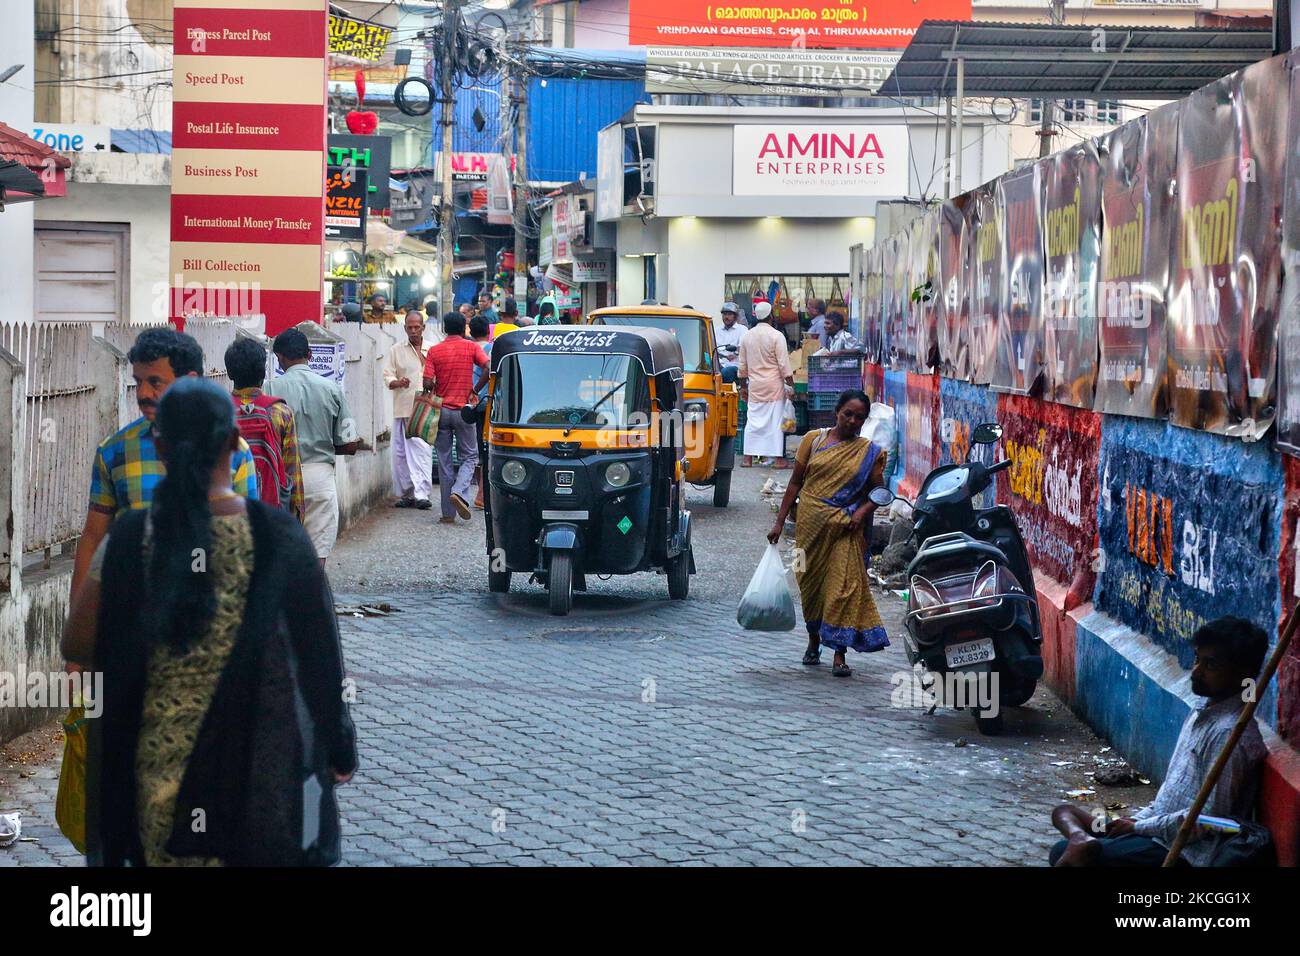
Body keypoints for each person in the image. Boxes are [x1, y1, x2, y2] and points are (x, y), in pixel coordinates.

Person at [62, 377, 357, 867]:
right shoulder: (279, 536)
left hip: (154, 795)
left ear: (159, 446)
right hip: (260, 789)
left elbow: (79, 643)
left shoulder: (131, 539)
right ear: (232, 440)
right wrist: (340, 748)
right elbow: (321, 657)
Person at [1049, 616, 1269, 867]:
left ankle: (1082, 845)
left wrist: (1140, 827)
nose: (1196, 671)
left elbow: (1210, 820)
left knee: (1065, 853)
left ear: (1243, 674)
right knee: (1065, 813)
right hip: (1152, 832)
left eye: (1211, 665)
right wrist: (1134, 823)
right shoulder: (1201, 711)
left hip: (1182, 852)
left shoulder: (1230, 734)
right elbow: (1168, 798)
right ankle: (1081, 839)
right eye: (1197, 659)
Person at [72, 328, 259, 595]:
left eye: (155, 382)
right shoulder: (115, 451)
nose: (143, 393)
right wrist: (77, 615)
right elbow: (93, 537)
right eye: (138, 381)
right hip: (133, 610)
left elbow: (248, 534)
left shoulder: (231, 451)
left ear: (190, 382)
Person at [768, 390, 889, 677]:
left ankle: (839, 654)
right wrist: (778, 522)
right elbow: (795, 484)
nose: (852, 421)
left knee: (841, 589)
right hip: (809, 528)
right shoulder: (813, 440)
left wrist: (860, 514)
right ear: (837, 411)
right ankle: (813, 642)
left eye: (859, 417)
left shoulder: (869, 452)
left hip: (845, 530)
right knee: (809, 587)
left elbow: (879, 493)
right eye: (848, 413)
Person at [267, 328, 360, 563]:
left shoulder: (270, 389)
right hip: (320, 476)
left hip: (282, 477)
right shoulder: (332, 389)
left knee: (282, 550)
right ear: (309, 354)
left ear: (279, 357)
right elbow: (350, 445)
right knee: (317, 552)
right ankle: (313, 598)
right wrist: (327, 445)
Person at [224, 337, 305, 521]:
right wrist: (295, 521)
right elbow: (292, 472)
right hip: (271, 517)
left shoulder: (216, 413)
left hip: (228, 516)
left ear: (229, 373)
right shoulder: (281, 412)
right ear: (263, 372)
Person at [422, 312, 488, 523]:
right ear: (463, 329)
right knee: (469, 456)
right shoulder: (471, 347)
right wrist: (474, 390)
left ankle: (447, 514)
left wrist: (437, 385)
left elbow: (427, 383)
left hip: (442, 412)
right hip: (464, 411)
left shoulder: (434, 350)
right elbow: (488, 366)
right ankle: (459, 491)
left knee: (444, 460)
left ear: (444, 329)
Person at [383, 311, 434, 510]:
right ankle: (407, 494)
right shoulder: (396, 350)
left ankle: (422, 494)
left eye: (416, 327)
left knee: (421, 451)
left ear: (423, 327)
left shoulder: (432, 349)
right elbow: (388, 374)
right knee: (400, 453)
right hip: (402, 406)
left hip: (424, 408)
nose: (413, 331)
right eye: (409, 327)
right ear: (405, 328)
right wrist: (397, 382)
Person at [737, 300, 794, 469]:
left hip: (755, 386)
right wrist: (791, 385)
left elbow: (742, 367)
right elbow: (784, 366)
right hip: (773, 386)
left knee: (753, 421)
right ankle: (778, 460)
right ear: (771, 316)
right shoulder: (777, 336)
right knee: (775, 423)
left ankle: (747, 459)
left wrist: (744, 387)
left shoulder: (747, 336)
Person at [468, 314, 493, 509]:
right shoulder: (494, 348)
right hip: (490, 406)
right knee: (486, 449)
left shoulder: (469, 349)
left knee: (475, 449)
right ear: (488, 331)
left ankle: (480, 490)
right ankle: (482, 493)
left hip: (470, 405)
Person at [714, 301, 747, 384]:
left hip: (735, 366)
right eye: (724, 314)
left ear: (735, 316)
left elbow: (742, 347)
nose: (726, 317)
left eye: (729, 314)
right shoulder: (716, 330)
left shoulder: (742, 330)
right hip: (718, 365)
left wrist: (735, 354)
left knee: (726, 372)